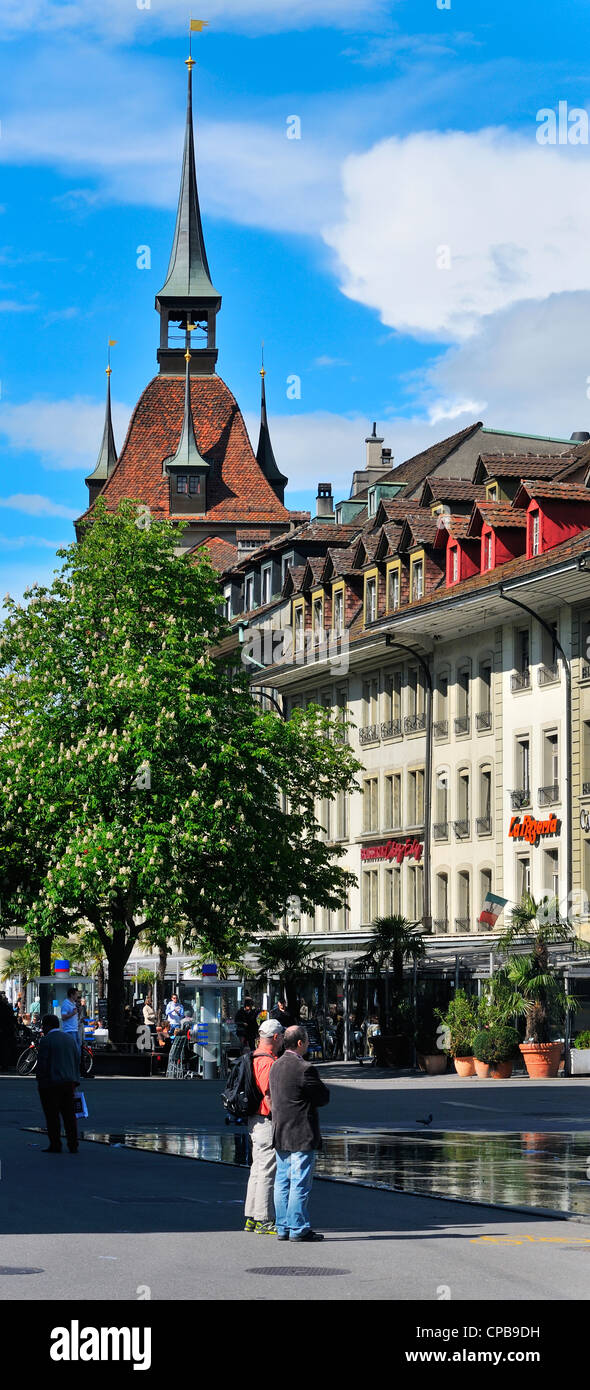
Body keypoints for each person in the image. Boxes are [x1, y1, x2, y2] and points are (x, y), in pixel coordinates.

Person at [269, 1025, 330, 1242]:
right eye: (306, 1041)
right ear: (300, 1043)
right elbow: (323, 1097)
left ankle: (282, 1227)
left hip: (281, 1130)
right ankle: (298, 1227)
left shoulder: (275, 1066)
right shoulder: (304, 1068)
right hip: (302, 1132)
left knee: (282, 1181)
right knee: (299, 1182)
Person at [244, 1018, 284, 1235]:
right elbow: (269, 1093)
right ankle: (263, 1219)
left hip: (255, 1120)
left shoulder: (253, 1056)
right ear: (276, 1038)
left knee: (257, 1169)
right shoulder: (267, 1062)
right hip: (265, 1120)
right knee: (268, 1170)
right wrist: (279, 1117)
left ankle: (251, 1216)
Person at [36, 1014, 80, 1154]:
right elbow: (76, 1059)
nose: (42, 1028)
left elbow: (43, 1064)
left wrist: (40, 1081)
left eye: (43, 1025)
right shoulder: (69, 1039)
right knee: (69, 1115)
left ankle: (55, 1144)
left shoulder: (46, 1041)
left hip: (51, 1084)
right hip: (69, 1083)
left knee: (52, 1116)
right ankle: (73, 1144)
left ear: (48, 1026)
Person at [61, 986, 81, 1052]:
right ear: (72, 995)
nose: (77, 996)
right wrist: (73, 1013)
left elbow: (75, 1016)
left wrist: (79, 1012)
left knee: (78, 1048)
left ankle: (77, 1061)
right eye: (76, 994)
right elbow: (63, 1017)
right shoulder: (65, 1003)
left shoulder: (74, 1003)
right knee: (73, 1049)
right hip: (69, 1030)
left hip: (75, 1029)